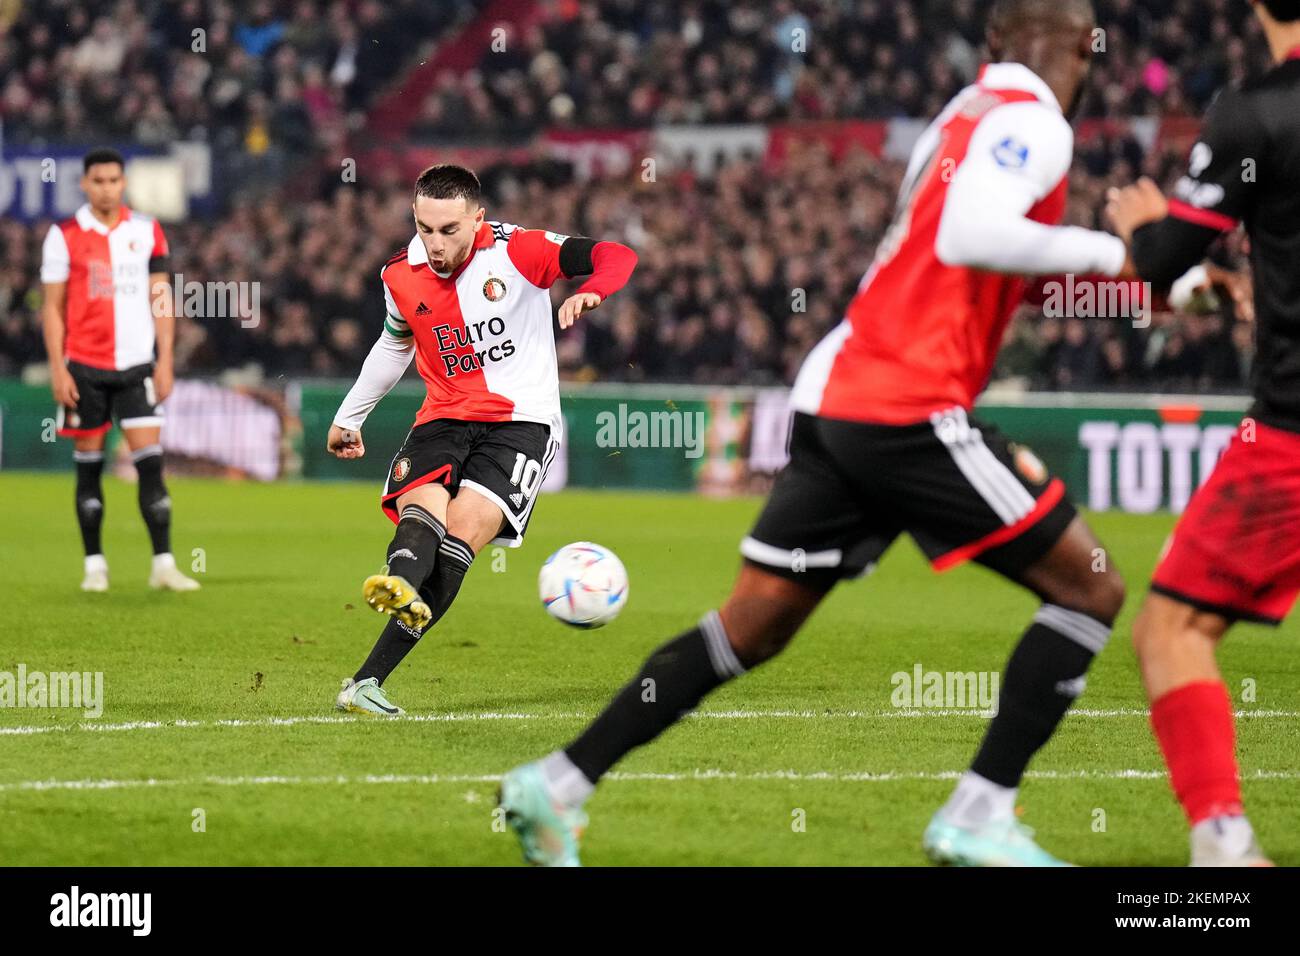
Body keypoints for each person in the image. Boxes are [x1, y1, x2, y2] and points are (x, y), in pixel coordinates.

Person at [500, 0, 1136, 867]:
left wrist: (1148, 281)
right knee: (1090, 591)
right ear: (1081, 51)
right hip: (904, 404)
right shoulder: (1036, 123)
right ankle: (980, 813)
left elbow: (977, 265)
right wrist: (1114, 252)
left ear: (992, 40)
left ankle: (557, 785)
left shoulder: (960, 116)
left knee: (749, 630)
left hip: (837, 392)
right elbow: (977, 236)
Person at [329, 163, 637, 716]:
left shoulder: (520, 251)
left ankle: (366, 682)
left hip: (522, 422)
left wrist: (591, 292)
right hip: (443, 415)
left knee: (461, 537)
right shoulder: (401, 274)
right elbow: (394, 344)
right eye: (425, 228)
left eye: (449, 230)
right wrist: (350, 415)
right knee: (420, 508)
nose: (436, 243)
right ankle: (399, 584)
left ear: (478, 219)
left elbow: (618, 256)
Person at [1107, 0, 1300, 868]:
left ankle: (1224, 843)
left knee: (1172, 630)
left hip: (1293, 441)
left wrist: (1142, 221)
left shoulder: (1252, 112)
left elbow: (1158, 263)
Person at [40, 147, 199, 593]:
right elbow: (52, 309)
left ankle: (163, 564)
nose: (107, 188)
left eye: (114, 180)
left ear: (122, 183)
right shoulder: (64, 235)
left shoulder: (147, 230)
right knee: (88, 468)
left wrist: (165, 359)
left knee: (151, 465)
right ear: (84, 184)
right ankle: (95, 566)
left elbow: (161, 298)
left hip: (136, 367)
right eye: (99, 181)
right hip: (84, 368)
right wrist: (58, 367)